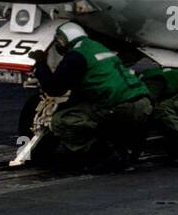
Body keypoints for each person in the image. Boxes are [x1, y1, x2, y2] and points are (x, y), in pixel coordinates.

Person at [29, 23, 153, 172]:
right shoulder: (96, 47)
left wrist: (41, 63)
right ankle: (124, 152)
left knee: (61, 121)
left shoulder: (77, 55)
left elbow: (55, 88)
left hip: (121, 107)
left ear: (63, 40)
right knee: (91, 111)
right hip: (144, 104)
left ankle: (104, 155)